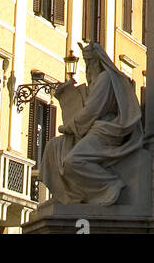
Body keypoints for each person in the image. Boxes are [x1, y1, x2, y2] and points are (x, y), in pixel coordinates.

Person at [38, 43, 143, 205]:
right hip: (89, 130)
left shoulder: (105, 79)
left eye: (90, 62)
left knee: (74, 160)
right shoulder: (95, 82)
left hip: (106, 131)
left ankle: (110, 185)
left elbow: (92, 111)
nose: (88, 68)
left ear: (98, 61)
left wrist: (69, 127)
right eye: (86, 63)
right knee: (53, 146)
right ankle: (67, 196)